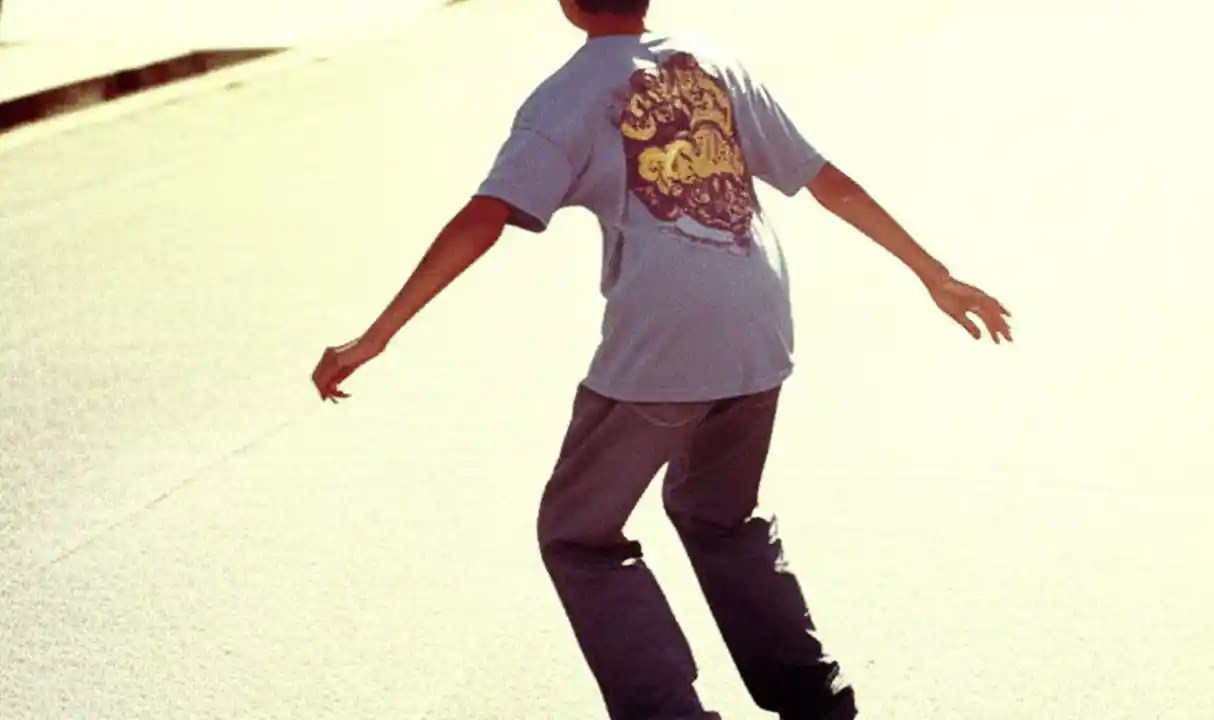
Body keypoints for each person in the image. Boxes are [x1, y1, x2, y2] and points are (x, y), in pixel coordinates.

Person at [311, 0, 1013, 718]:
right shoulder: (718, 64)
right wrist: (933, 273)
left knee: (578, 534)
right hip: (757, 325)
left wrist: (378, 334)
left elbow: (484, 217)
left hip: (666, 343)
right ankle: (816, 704)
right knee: (719, 514)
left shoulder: (566, 97)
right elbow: (825, 179)